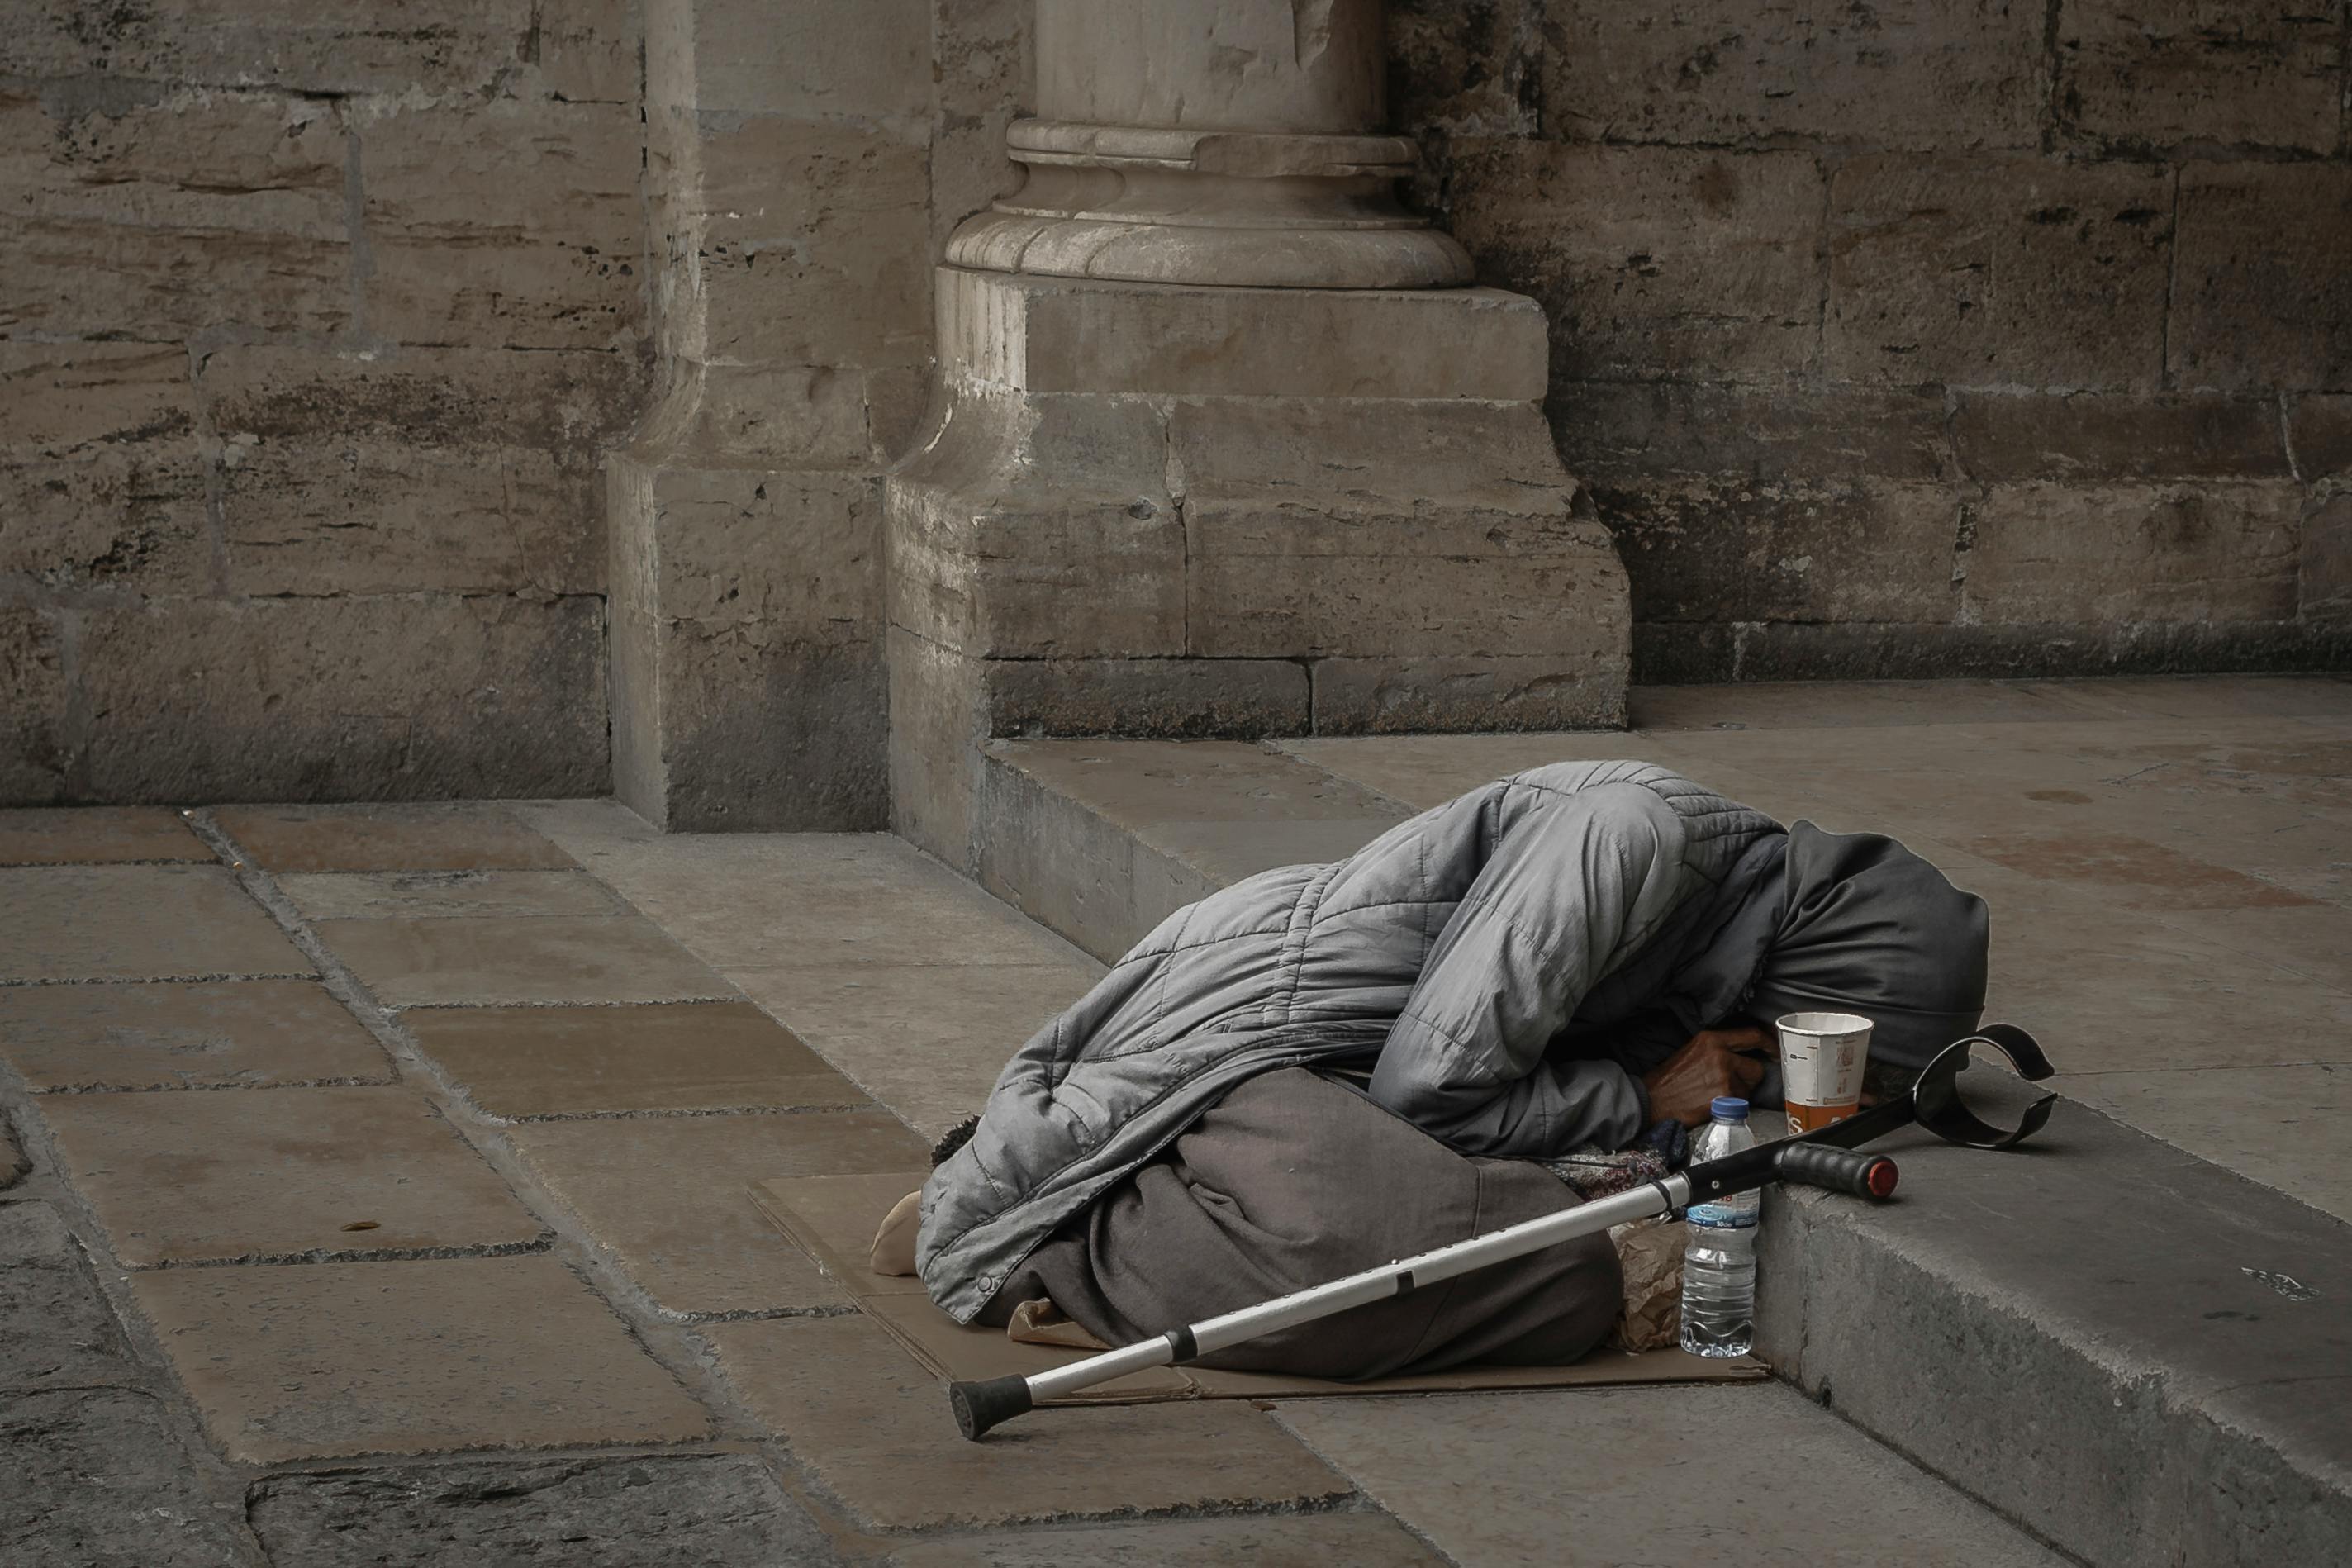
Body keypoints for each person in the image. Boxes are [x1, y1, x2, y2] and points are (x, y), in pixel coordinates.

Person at [917, 759, 1989, 1378]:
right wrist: (1643, 1097)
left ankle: (1151, 1210)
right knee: (1402, 1233)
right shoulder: (1633, 841)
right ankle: (1082, 1235)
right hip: (1231, 1048)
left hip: (1328, 1074)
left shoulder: (1710, 958)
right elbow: (1427, 1095)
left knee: (1554, 1270)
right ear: (1804, 967)